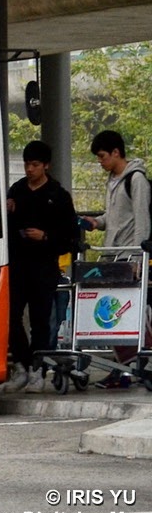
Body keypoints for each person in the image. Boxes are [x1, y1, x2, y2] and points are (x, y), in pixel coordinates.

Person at [2, 141, 78, 393]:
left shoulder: (58, 195)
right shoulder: (17, 190)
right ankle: (22, 365)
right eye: (26, 164)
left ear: (46, 165)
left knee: (40, 321)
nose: (29, 169)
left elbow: (70, 236)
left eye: (34, 165)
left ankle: (38, 369)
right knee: (11, 317)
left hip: (44, 266)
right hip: (17, 265)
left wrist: (45, 237)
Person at [85, 129, 150, 383]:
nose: (100, 162)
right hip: (112, 254)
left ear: (116, 152)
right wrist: (96, 222)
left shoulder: (136, 180)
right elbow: (114, 219)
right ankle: (125, 365)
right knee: (112, 315)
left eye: (102, 156)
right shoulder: (112, 181)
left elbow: (142, 222)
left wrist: (138, 259)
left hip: (128, 256)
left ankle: (137, 363)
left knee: (127, 313)